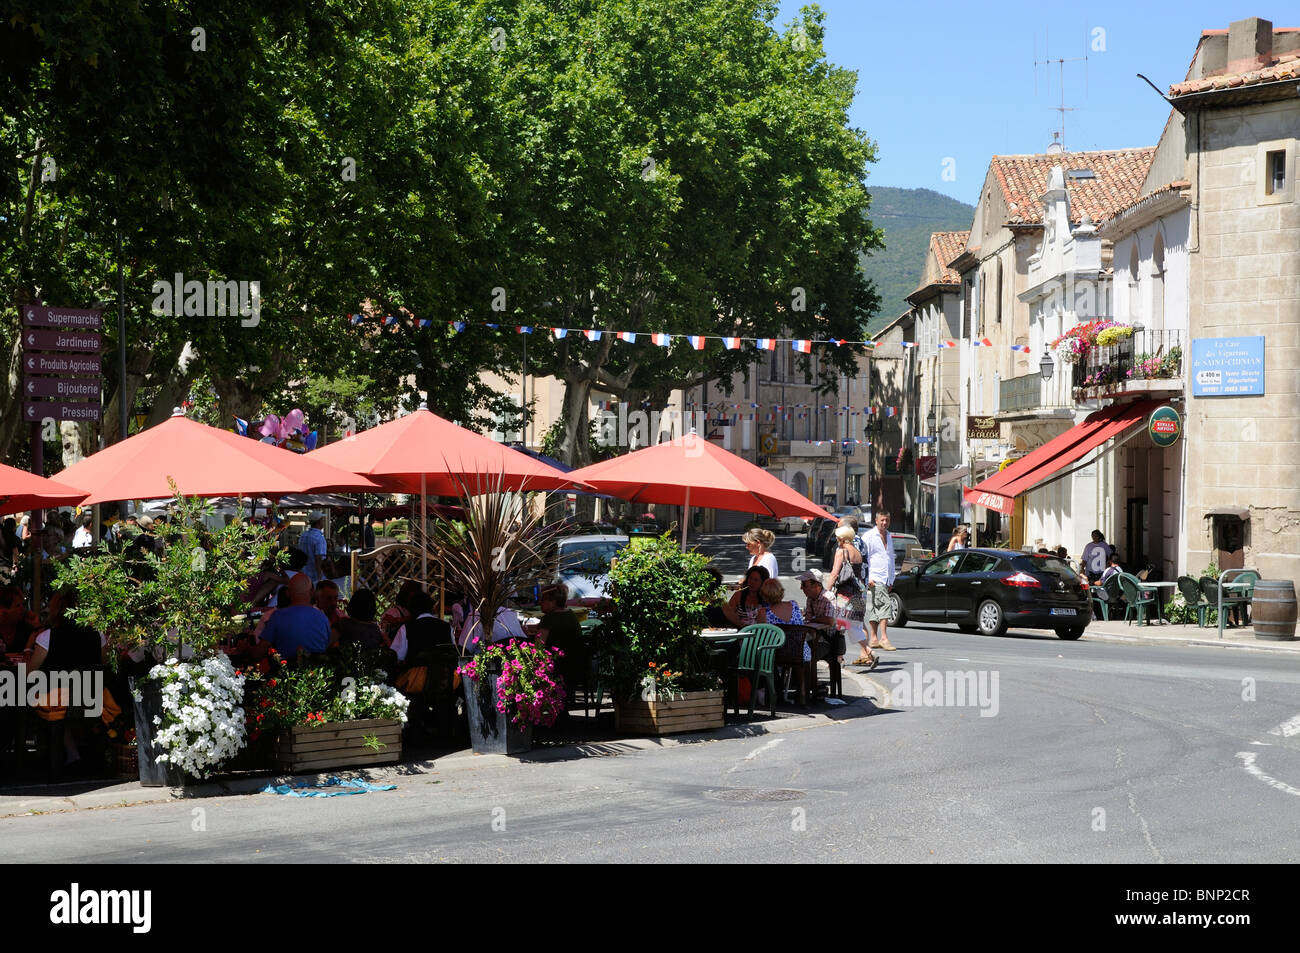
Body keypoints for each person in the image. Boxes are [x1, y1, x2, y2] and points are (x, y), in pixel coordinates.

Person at [255, 574, 331, 659]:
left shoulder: (277, 616)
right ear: (311, 592)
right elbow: (327, 644)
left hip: (287, 669)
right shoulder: (322, 617)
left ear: (288, 593)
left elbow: (260, 651)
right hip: (318, 669)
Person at [863, 510, 897, 651]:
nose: (884, 523)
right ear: (876, 520)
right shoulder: (869, 536)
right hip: (875, 576)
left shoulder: (889, 536)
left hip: (885, 577)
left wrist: (891, 578)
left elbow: (890, 557)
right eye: (882, 520)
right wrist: (868, 577)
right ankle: (884, 638)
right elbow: (864, 558)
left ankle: (874, 638)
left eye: (887, 520)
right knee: (885, 605)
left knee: (877, 607)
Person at [459, 602, 525, 650]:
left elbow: (464, 649)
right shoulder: (510, 613)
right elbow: (523, 640)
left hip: (489, 665)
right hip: (517, 664)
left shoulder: (475, 616)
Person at [828, 525, 863, 599]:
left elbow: (834, 574)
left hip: (845, 593)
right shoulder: (858, 552)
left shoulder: (841, 552)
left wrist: (827, 592)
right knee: (856, 610)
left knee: (841, 610)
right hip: (857, 592)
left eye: (837, 537)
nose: (836, 539)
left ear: (842, 538)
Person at [0, 584, 36, 653]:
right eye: (18, 605)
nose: (22, 609)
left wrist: (36, 626)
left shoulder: (25, 629)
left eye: (23, 605)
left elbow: (26, 662)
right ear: (3, 608)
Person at [298, 511, 328, 585]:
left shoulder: (303, 535)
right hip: (315, 577)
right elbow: (319, 559)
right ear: (319, 522)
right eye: (322, 520)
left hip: (303, 575)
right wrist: (320, 578)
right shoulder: (319, 538)